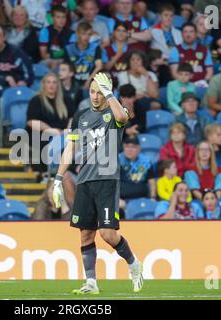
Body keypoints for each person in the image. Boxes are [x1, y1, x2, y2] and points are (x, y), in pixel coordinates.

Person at [52, 72, 143, 295]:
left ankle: (134, 265)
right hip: (85, 181)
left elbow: (123, 118)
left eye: (99, 92)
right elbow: (70, 149)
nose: (94, 96)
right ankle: (91, 283)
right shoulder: (81, 117)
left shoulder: (114, 112)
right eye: (92, 91)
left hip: (107, 180)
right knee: (85, 234)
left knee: (107, 233)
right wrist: (57, 178)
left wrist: (110, 92)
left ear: (106, 92)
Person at [0, 23, 34, 128]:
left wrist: (24, 82)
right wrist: (5, 78)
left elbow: (29, 72)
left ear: (4, 37)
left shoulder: (16, 51)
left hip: (15, 86)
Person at [26, 72, 76, 174]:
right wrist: (50, 130)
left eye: (54, 82)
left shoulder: (66, 99)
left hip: (63, 132)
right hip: (42, 132)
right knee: (42, 139)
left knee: (76, 140)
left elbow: (73, 117)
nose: (51, 85)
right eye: (48, 82)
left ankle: (71, 171)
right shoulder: (36, 100)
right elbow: (31, 122)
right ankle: (43, 172)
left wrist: (68, 130)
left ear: (58, 85)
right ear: (43, 85)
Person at [168, 22, 214, 87]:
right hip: (182, 86)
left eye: (191, 32)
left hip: (201, 85)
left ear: (195, 34)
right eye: (185, 32)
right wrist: (188, 85)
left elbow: (209, 71)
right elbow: (174, 74)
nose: (188, 34)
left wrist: (204, 82)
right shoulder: (175, 50)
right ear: (181, 34)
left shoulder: (204, 50)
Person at [64, 22, 103, 88]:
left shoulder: (95, 47)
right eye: (83, 34)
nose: (86, 37)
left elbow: (99, 66)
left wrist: (89, 81)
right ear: (77, 34)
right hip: (73, 83)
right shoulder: (69, 49)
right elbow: (66, 68)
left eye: (89, 34)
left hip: (90, 82)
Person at [119, 136, 156, 201]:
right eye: (127, 146)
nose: (129, 150)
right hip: (123, 200)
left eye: (133, 147)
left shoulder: (146, 162)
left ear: (139, 149)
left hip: (143, 199)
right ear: (123, 147)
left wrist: (153, 197)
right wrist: (117, 199)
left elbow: (152, 181)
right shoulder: (117, 160)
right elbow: (110, 183)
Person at [39, 5, 75, 70]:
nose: (61, 20)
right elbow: (43, 55)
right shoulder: (45, 31)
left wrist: (53, 54)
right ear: (52, 18)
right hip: (48, 61)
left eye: (63, 17)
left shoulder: (71, 33)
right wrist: (63, 52)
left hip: (65, 61)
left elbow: (72, 53)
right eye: (58, 17)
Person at [102, 21, 132, 86]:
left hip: (128, 83)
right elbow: (105, 69)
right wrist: (117, 56)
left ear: (127, 34)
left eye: (124, 31)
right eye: (118, 30)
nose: (121, 33)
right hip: (110, 82)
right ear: (113, 32)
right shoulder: (106, 49)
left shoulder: (132, 49)